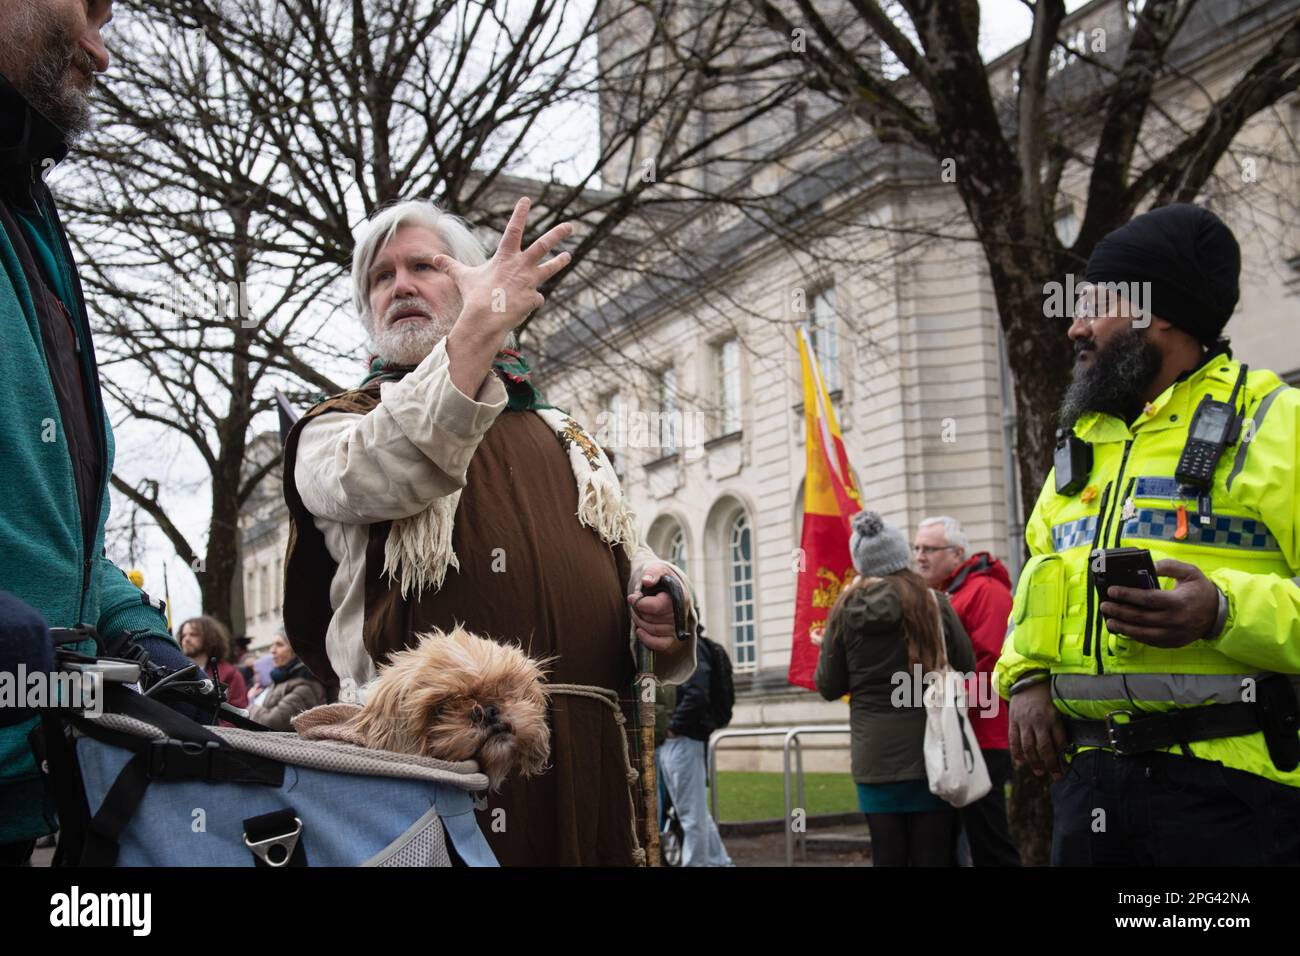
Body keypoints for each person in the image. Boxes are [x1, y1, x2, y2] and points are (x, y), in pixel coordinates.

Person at [281, 198, 696, 866]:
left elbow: (634, 556)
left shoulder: (566, 435)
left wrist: (667, 607)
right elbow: (379, 476)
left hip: (583, 758)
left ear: (475, 279)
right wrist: (475, 333)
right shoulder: (337, 427)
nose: (402, 285)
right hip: (420, 758)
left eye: (423, 265)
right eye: (381, 278)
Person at [995, 203, 1300, 866]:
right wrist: (1026, 677)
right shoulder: (1083, 445)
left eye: (1093, 305)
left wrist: (1222, 610)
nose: (1074, 326)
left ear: (1157, 312)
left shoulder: (1275, 422)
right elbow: (1040, 579)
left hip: (1231, 796)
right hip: (1090, 789)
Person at [0, 0, 193, 864]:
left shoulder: (30, 213)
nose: (102, 51)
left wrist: (130, 623)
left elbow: (51, 528)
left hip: (41, 789)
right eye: (87, 8)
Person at [817, 510, 976, 866]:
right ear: (901, 554)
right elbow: (966, 665)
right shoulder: (934, 603)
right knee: (934, 855)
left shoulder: (844, 609)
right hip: (934, 750)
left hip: (874, 755)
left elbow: (828, 685)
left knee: (887, 855)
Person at [914, 516, 1020, 866]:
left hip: (981, 739)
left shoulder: (985, 592)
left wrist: (940, 701)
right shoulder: (950, 592)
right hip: (958, 733)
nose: (919, 556)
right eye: (916, 548)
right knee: (948, 844)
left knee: (988, 841)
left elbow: (991, 671)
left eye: (929, 549)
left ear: (957, 553)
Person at [657, 625, 733, 867]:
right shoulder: (688, 644)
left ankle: (697, 864)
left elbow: (697, 694)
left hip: (682, 739)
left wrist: (674, 727)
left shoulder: (691, 646)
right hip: (681, 739)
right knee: (694, 811)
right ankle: (720, 862)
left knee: (691, 816)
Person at [248, 632, 326, 731]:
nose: (272, 650)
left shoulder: (305, 685)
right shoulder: (280, 679)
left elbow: (270, 723)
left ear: (295, 650)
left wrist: (250, 705)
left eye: (279, 645)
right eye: (272, 645)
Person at [178, 616, 249, 710]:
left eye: (193, 634)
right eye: (184, 635)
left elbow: (236, 716)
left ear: (209, 637)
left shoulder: (230, 674)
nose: (186, 639)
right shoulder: (178, 671)